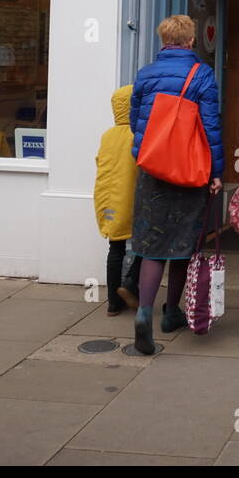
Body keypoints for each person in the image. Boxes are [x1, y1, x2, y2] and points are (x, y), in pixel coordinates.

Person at [129, 15, 224, 355]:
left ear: (163, 39)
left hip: (153, 170)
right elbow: (210, 127)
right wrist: (216, 171)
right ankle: (171, 313)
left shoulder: (145, 74)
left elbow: (134, 120)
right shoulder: (202, 75)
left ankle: (144, 311)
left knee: (152, 244)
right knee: (184, 242)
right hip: (189, 170)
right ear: (190, 40)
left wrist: (149, 151)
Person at [95, 84, 142, 315]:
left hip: (107, 197)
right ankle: (130, 283)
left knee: (115, 248)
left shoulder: (108, 136)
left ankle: (113, 303)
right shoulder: (138, 134)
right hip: (131, 197)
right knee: (146, 244)